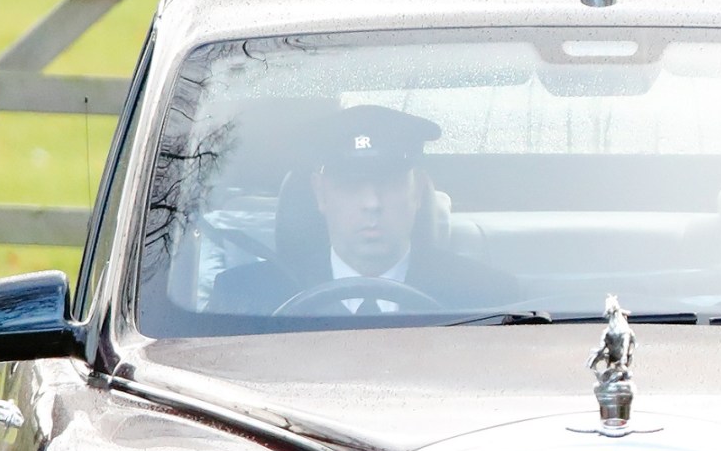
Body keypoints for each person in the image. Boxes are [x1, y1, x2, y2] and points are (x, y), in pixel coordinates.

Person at [208, 103, 516, 315]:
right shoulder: (245, 299)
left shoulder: (487, 300)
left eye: (389, 183)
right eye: (351, 185)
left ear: (419, 191)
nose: (372, 203)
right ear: (320, 193)